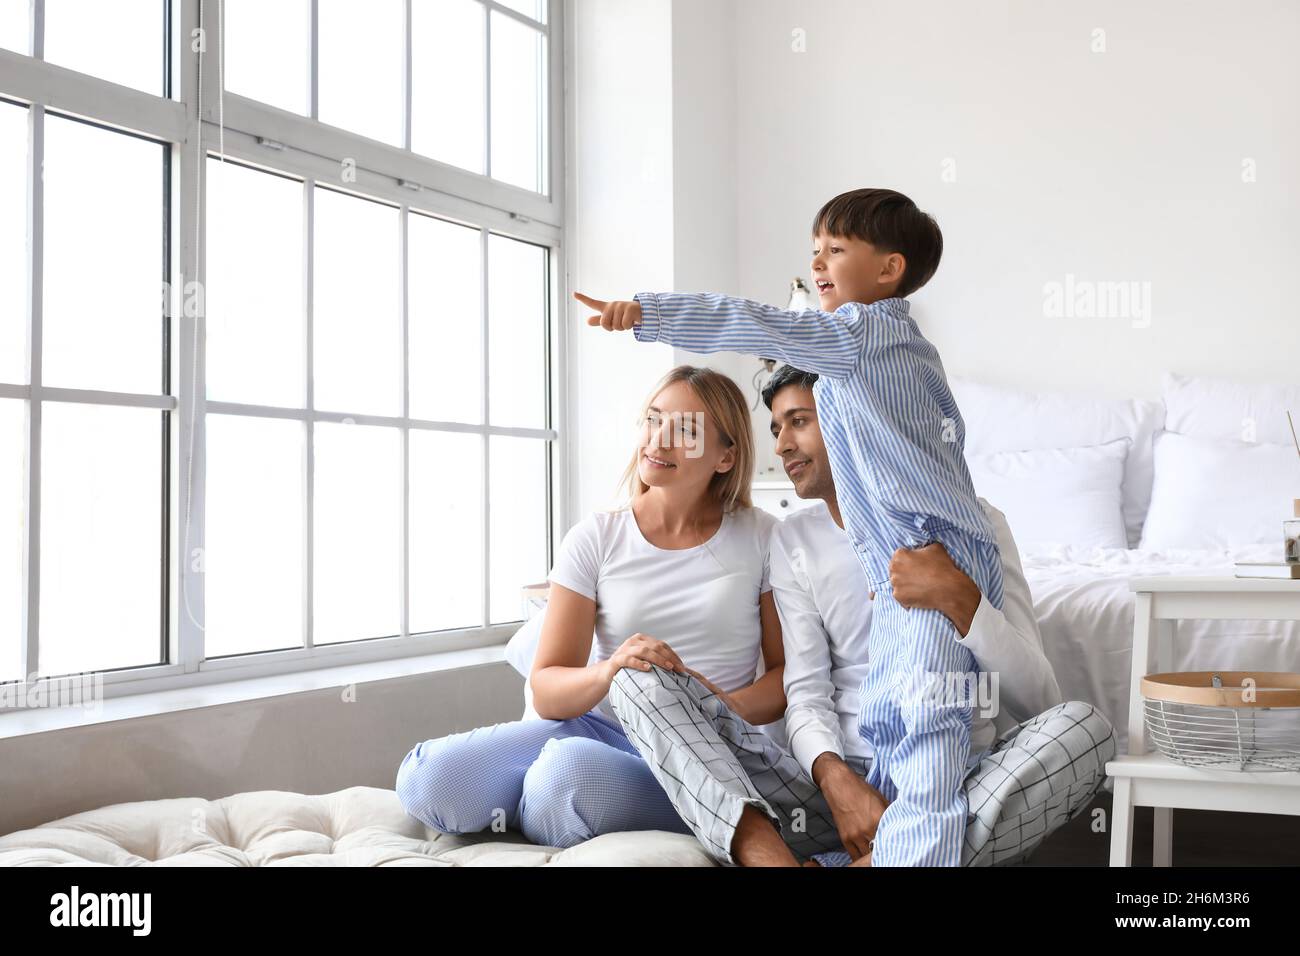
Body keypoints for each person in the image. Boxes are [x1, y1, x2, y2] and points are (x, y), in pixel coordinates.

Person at [579, 186, 1048, 865]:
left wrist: (649, 312)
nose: (819, 263)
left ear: (888, 270)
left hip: (928, 561)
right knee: (901, 727)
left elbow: (755, 322)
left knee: (930, 741)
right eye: (814, 252)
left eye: (835, 249)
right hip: (903, 569)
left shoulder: (861, 336)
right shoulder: (905, 357)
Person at [605, 363, 1115, 867]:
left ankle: (881, 859)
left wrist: (963, 601)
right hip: (824, 797)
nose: (782, 446)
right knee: (636, 681)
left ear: (857, 420)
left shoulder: (977, 525)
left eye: (800, 422)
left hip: (952, 782)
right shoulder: (794, 540)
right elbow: (804, 693)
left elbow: (1040, 700)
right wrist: (836, 779)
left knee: (1085, 730)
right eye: (777, 428)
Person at [394, 365, 789, 849]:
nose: (658, 441)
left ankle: (534, 800)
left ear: (726, 457)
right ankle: (533, 800)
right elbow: (547, 690)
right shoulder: (596, 538)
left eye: (685, 430)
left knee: (564, 777)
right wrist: (610, 671)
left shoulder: (762, 537)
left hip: (695, 751)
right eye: (653, 419)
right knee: (429, 778)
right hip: (594, 729)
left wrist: (723, 705)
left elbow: (784, 675)